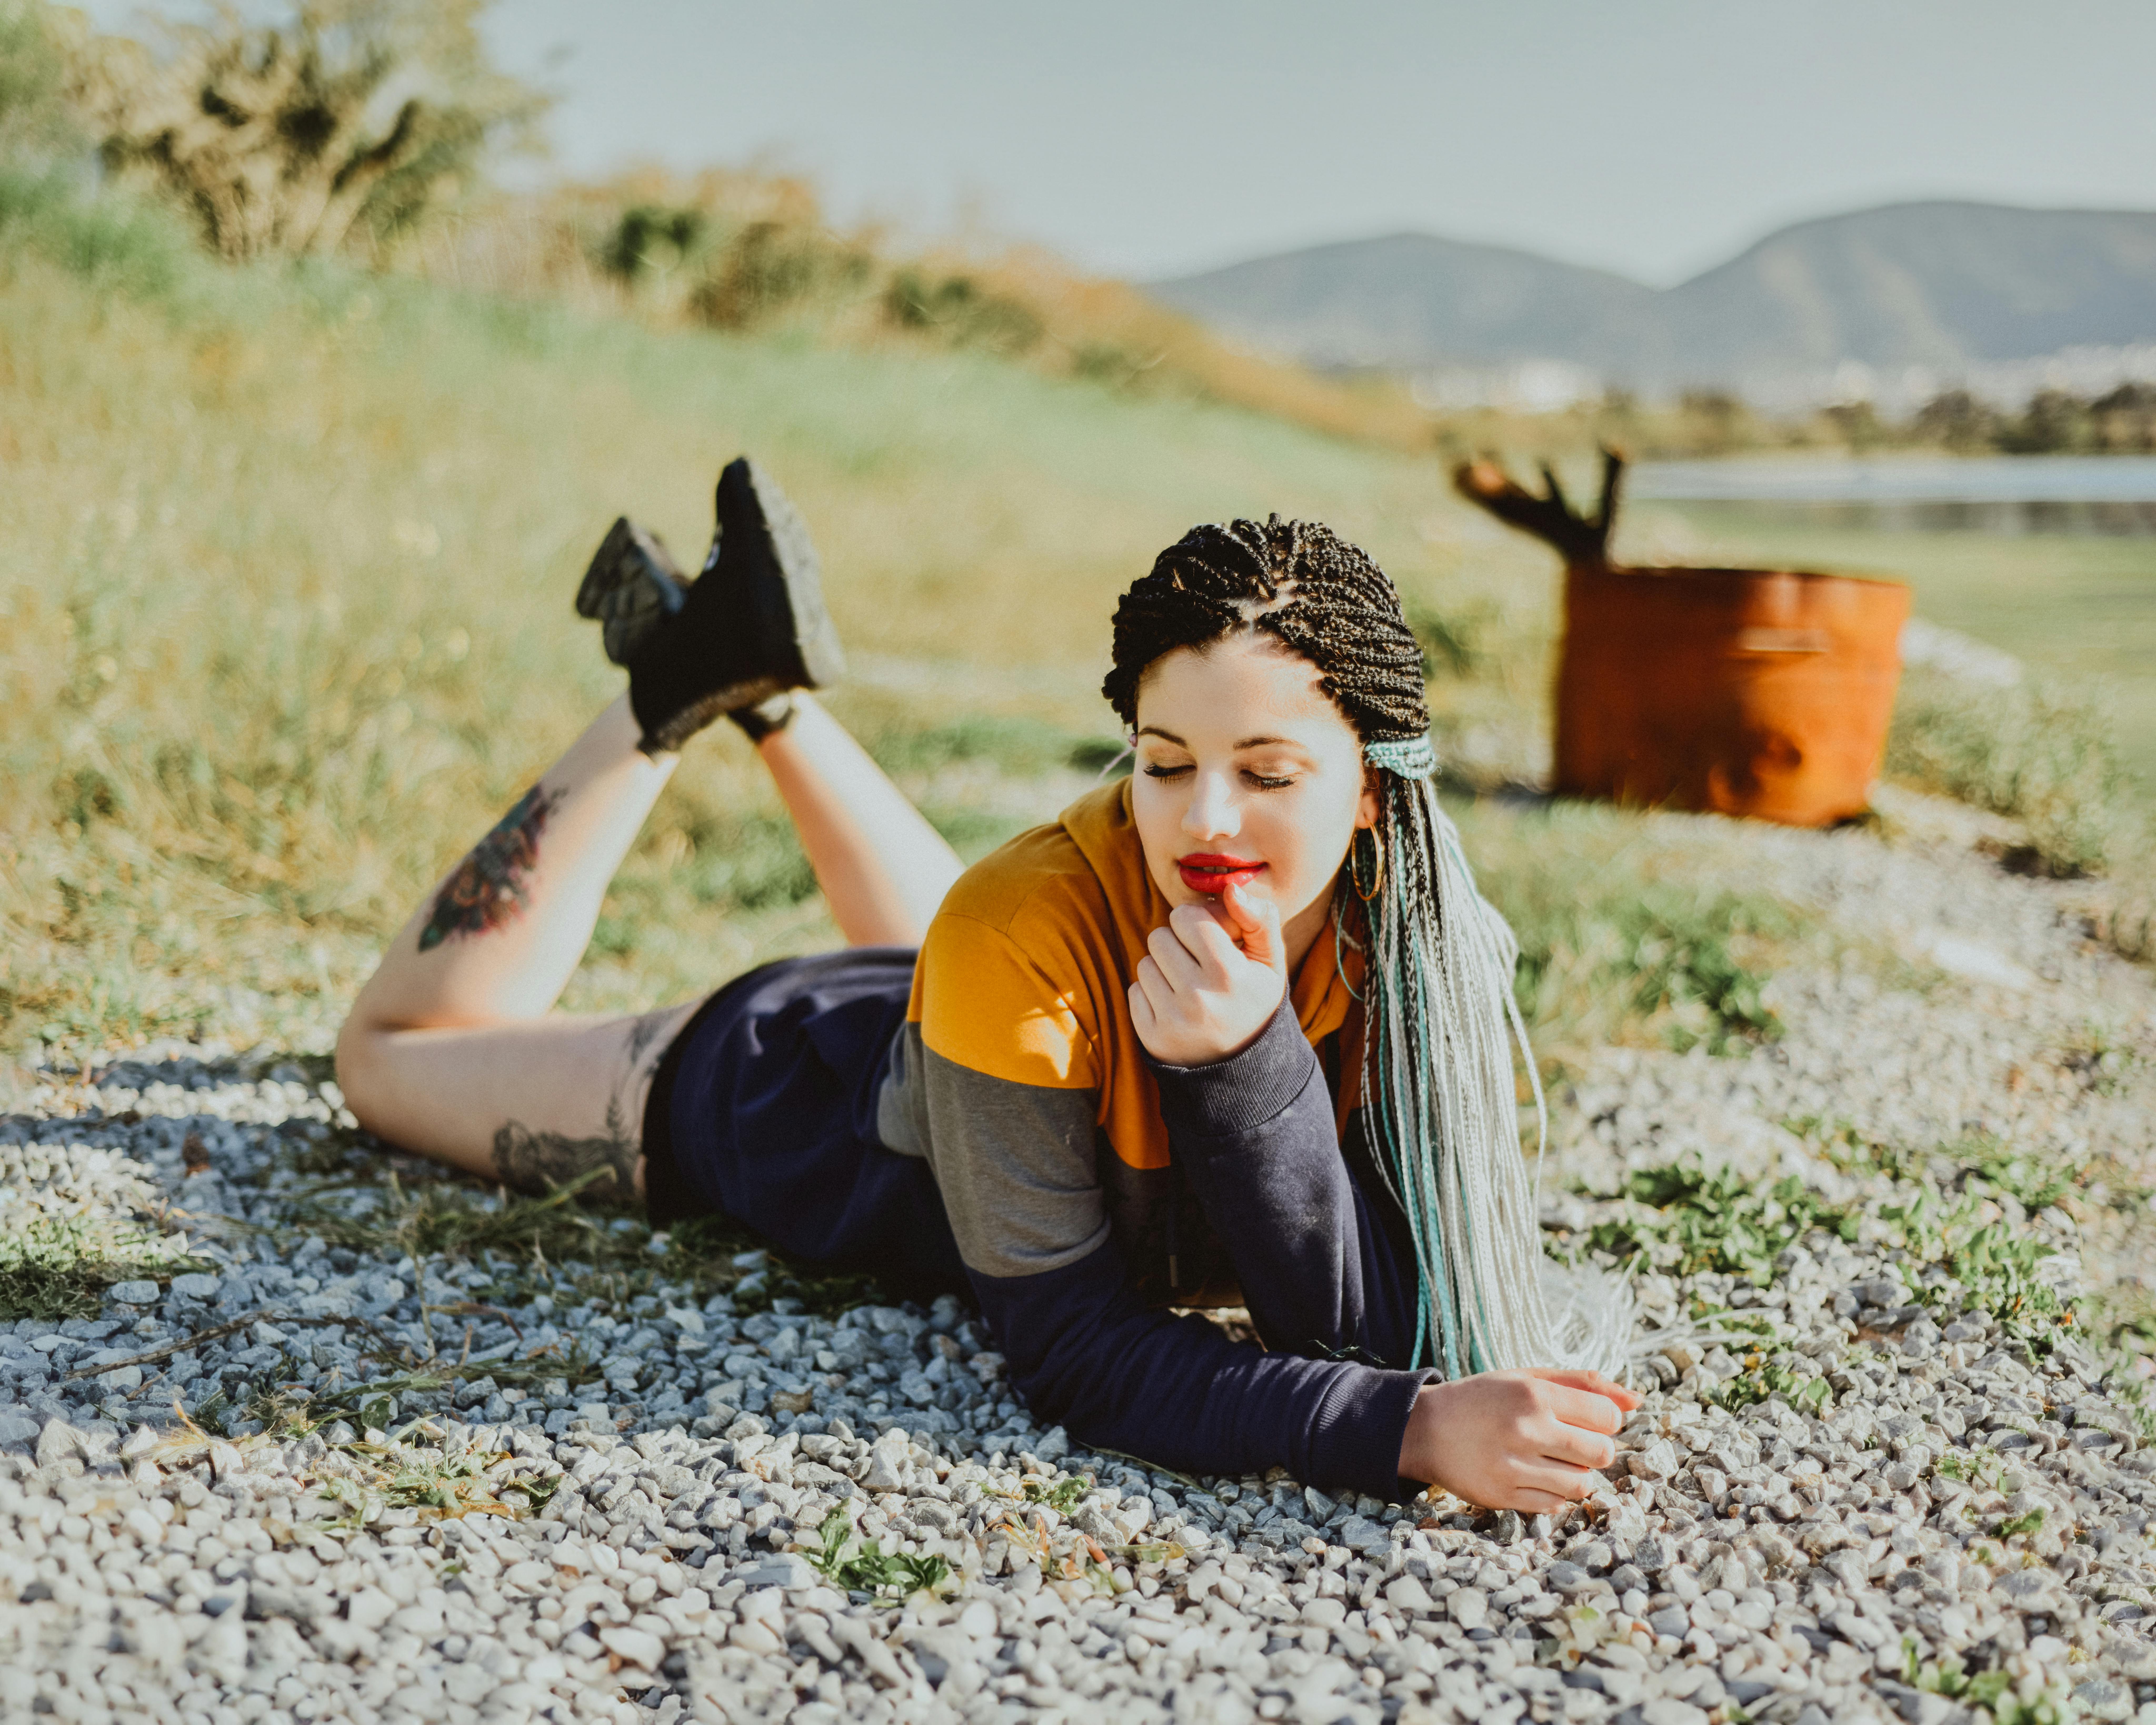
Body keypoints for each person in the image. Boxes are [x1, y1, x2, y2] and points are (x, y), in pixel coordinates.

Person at [337, 457, 1638, 1510]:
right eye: (1164, 760)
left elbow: (1359, 1304)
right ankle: (672, 690)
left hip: (979, 1014)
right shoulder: (1019, 932)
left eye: (1268, 770)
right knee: (387, 1059)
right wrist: (1401, 1431)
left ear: (1371, 796)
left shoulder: (1410, 929)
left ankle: (763, 683)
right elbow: (1077, 1352)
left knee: (985, 948)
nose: (1203, 819)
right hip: (797, 1090)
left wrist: (1247, 1060)